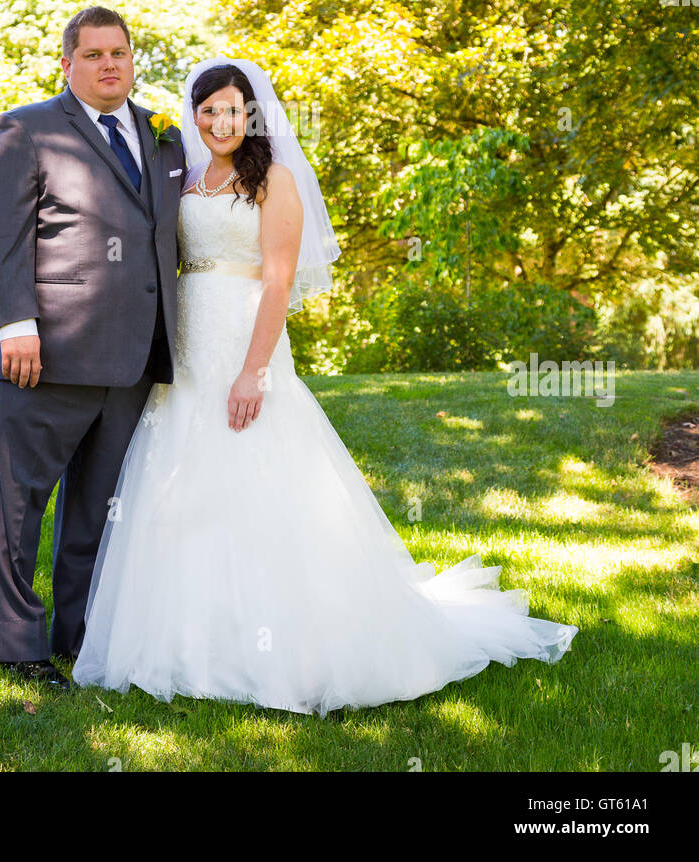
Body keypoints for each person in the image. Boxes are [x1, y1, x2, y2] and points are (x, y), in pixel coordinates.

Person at [72, 57, 578, 714]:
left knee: (253, 472)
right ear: (193, 115)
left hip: (244, 340)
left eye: (232, 109)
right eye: (207, 109)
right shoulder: (186, 178)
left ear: (250, 116)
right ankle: (179, 643)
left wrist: (253, 370)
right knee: (178, 477)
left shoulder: (273, 181)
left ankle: (285, 646)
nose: (219, 120)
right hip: (188, 350)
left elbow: (277, 280)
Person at [0, 6, 186, 688]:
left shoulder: (163, 137)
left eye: (118, 52)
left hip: (134, 358)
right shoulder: (26, 129)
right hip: (47, 351)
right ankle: (16, 647)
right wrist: (15, 324)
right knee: (18, 503)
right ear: (67, 63)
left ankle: (79, 637)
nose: (109, 64)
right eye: (92, 55)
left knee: (99, 508)